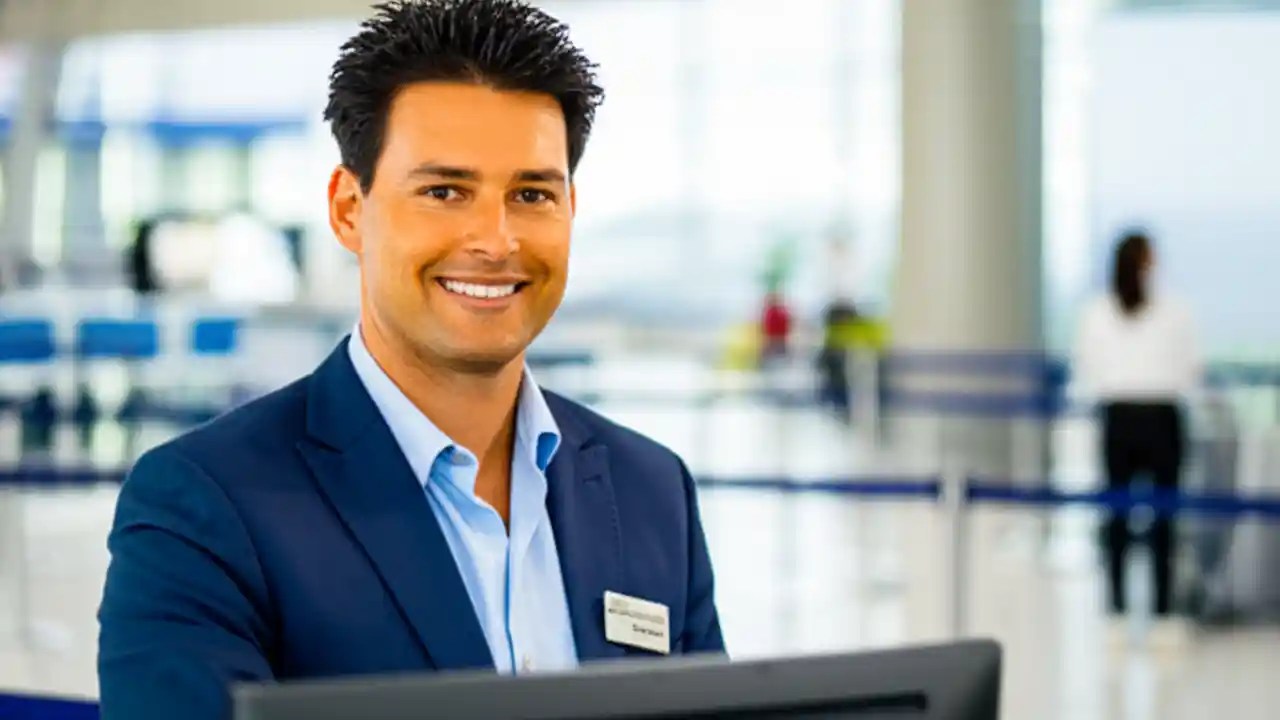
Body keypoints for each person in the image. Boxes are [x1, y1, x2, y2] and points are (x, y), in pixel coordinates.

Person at [96, 2, 725, 717]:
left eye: (531, 194)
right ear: (347, 209)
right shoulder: (207, 507)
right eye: (444, 191)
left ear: (571, 208)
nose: (495, 240)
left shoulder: (651, 493)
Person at [1074, 231, 1201, 636]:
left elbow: (1088, 367)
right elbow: (1191, 367)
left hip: (1120, 417)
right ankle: (1159, 613)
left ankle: (1118, 611)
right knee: (1158, 521)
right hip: (1159, 416)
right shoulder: (1173, 311)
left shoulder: (1098, 312)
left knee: (1120, 520)